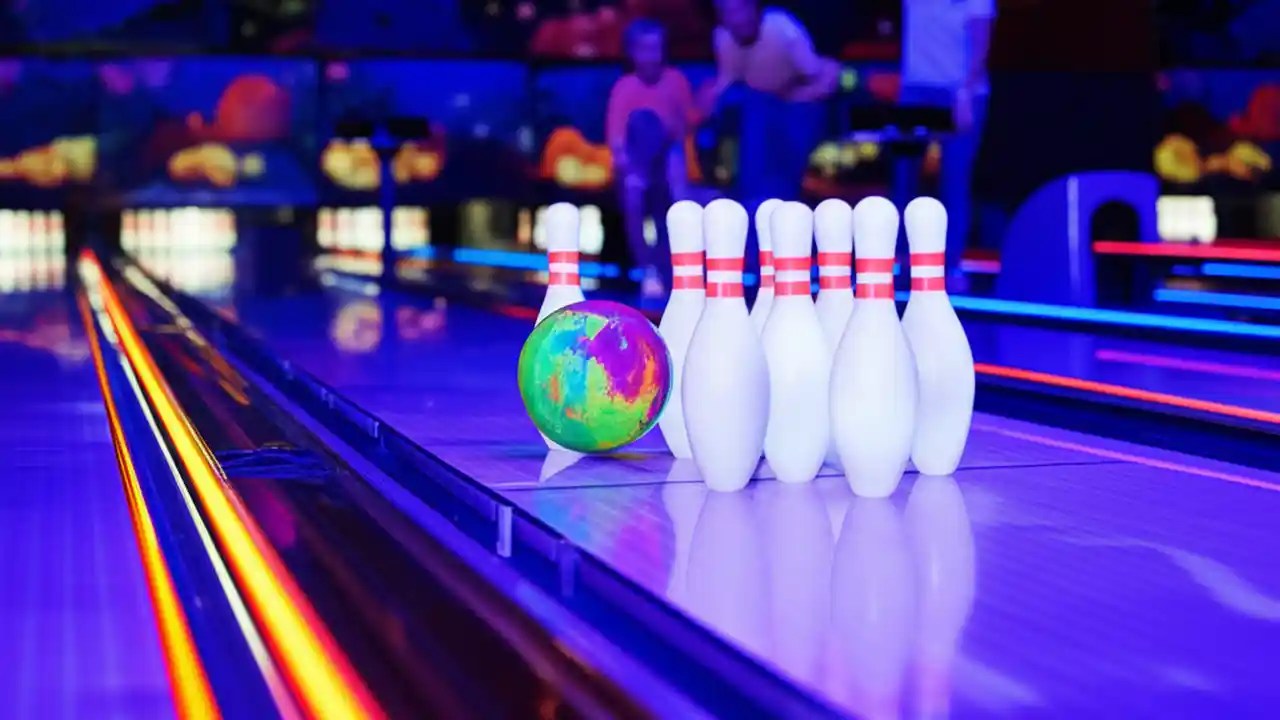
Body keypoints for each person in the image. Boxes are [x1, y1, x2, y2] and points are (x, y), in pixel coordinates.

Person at [701, 0, 840, 209]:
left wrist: (787, 98)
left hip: (800, 103)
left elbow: (822, 78)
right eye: (727, 13)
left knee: (777, 132)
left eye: (740, 10)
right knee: (748, 116)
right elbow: (727, 82)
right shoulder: (722, 38)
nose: (736, 19)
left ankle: (783, 202)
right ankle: (750, 201)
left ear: (754, 8)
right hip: (757, 106)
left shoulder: (782, 29)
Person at [900, 0, 995, 292]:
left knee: (954, 182)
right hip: (915, 89)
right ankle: (903, 263)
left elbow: (981, 41)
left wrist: (966, 89)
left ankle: (950, 266)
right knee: (903, 180)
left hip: (960, 93)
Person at [606, 19, 697, 298]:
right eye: (644, 49)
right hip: (635, 161)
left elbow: (685, 127)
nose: (651, 55)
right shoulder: (624, 88)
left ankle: (679, 269)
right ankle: (648, 270)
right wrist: (632, 169)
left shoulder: (676, 82)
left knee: (676, 197)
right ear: (632, 53)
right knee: (634, 197)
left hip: (668, 155)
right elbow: (617, 139)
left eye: (656, 48)